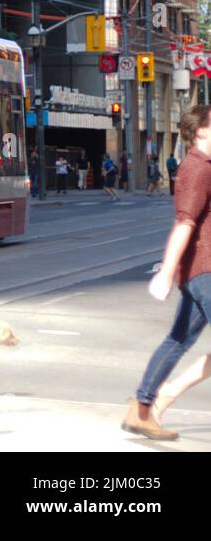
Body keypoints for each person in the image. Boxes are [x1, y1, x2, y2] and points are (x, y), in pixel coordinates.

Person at [123, 105, 211, 440]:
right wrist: (167, 270)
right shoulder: (196, 168)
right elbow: (185, 221)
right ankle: (152, 404)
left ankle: (142, 411)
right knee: (177, 341)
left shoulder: (204, 166)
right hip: (205, 272)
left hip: (199, 272)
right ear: (201, 130)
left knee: (177, 341)